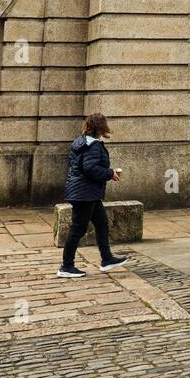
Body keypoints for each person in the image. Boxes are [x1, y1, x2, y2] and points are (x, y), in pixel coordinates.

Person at [57, 112, 129, 279]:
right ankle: (66, 266)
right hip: (85, 193)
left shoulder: (81, 142)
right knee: (78, 229)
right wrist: (110, 173)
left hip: (85, 192)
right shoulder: (93, 145)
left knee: (102, 223)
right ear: (101, 127)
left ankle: (107, 259)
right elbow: (90, 169)